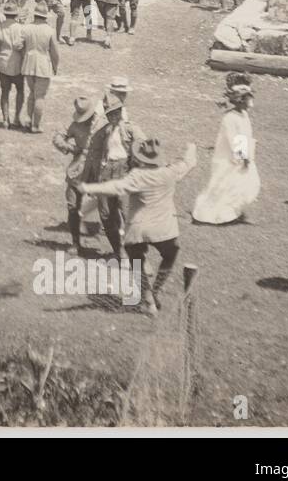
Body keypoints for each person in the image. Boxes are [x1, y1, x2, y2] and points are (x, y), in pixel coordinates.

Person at [80, 138, 197, 315]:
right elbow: (188, 163)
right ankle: (155, 290)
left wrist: (90, 187)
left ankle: (148, 300)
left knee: (137, 262)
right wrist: (191, 147)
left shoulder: (137, 176)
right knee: (170, 254)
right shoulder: (170, 172)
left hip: (138, 231)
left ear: (140, 159)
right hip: (164, 229)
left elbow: (116, 187)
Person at [191, 75, 260, 225]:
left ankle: (232, 212)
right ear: (240, 100)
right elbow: (234, 139)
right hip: (228, 157)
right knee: (223, 185)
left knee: (240, 184)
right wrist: (244, 157)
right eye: (247, 99)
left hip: (241, 155)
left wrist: (249, 150)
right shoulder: (230, 118)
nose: (250, 102)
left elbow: (244, 134)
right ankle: (213, 214)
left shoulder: (244, 115)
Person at [81, 93, 144, 257]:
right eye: (110, 114)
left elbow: (144, 149)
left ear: (121, 112)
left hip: (124, 172)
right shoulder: (101, 133)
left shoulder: (131, 129)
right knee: (106, 214)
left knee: (128, 212)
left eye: (116, 113)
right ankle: (119, 250)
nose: (113, 116)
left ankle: (139, 256)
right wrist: (90, 180)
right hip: (106, 173)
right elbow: (92, 157)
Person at [53, 97, 98, 253]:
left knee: (111, 206)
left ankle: (122, 246)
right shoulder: (75, 126)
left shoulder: (103, 125)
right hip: (78, 169)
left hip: (99, 169)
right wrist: (71, 148)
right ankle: (75, 243)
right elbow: (58, 137)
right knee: (72, 205)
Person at [17, 1, 61, 133]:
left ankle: (28, 120)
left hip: (28, 63)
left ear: (35, 15)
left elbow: (18, 45)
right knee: (40, 96)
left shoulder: (26, 28)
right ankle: (36, 125)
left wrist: (24, 54)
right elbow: (55, 52)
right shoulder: (49, 30)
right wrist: (55, 65)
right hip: (42, 63)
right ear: (45, 16)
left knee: (32, 93)